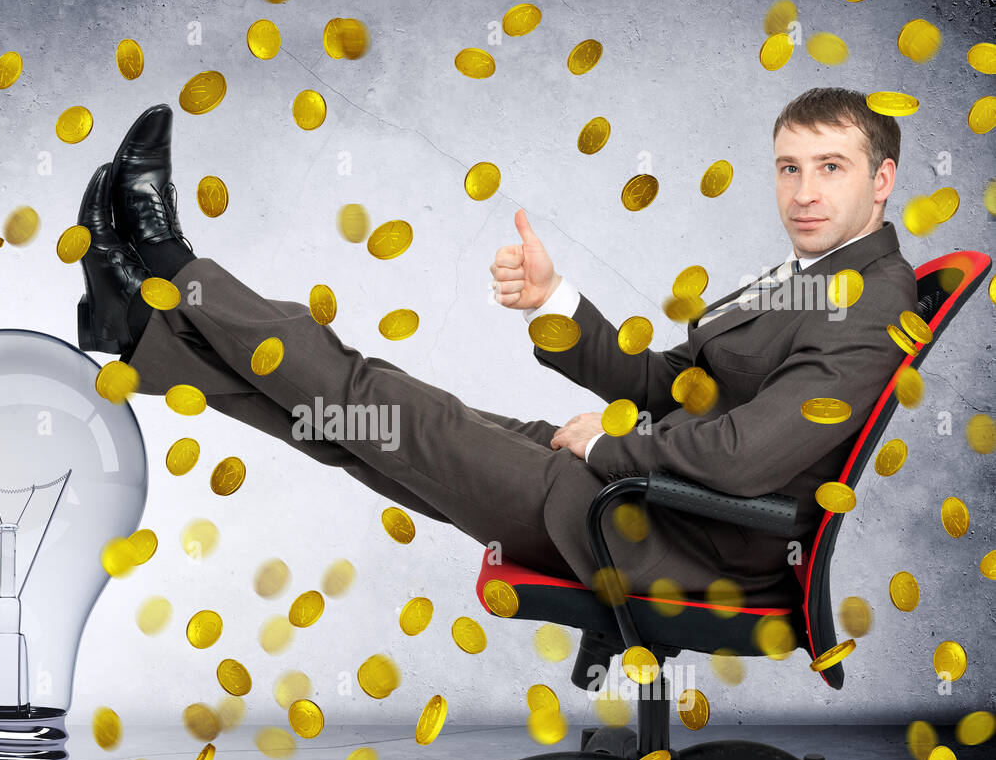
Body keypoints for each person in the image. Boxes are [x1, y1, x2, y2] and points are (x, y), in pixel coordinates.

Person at [74, 87, 916, 602]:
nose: (803, 191)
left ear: (881, 180)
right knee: (345, 425)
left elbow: (739, 459)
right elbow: (673, 384)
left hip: (670, 534)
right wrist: (555, 301)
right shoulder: (811, 276)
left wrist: (619, 445)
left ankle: (169, 265)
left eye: (831, 167)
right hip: (642, 499)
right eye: (789, 167)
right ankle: (142, 329)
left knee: (371, 399)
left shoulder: (872, 306)